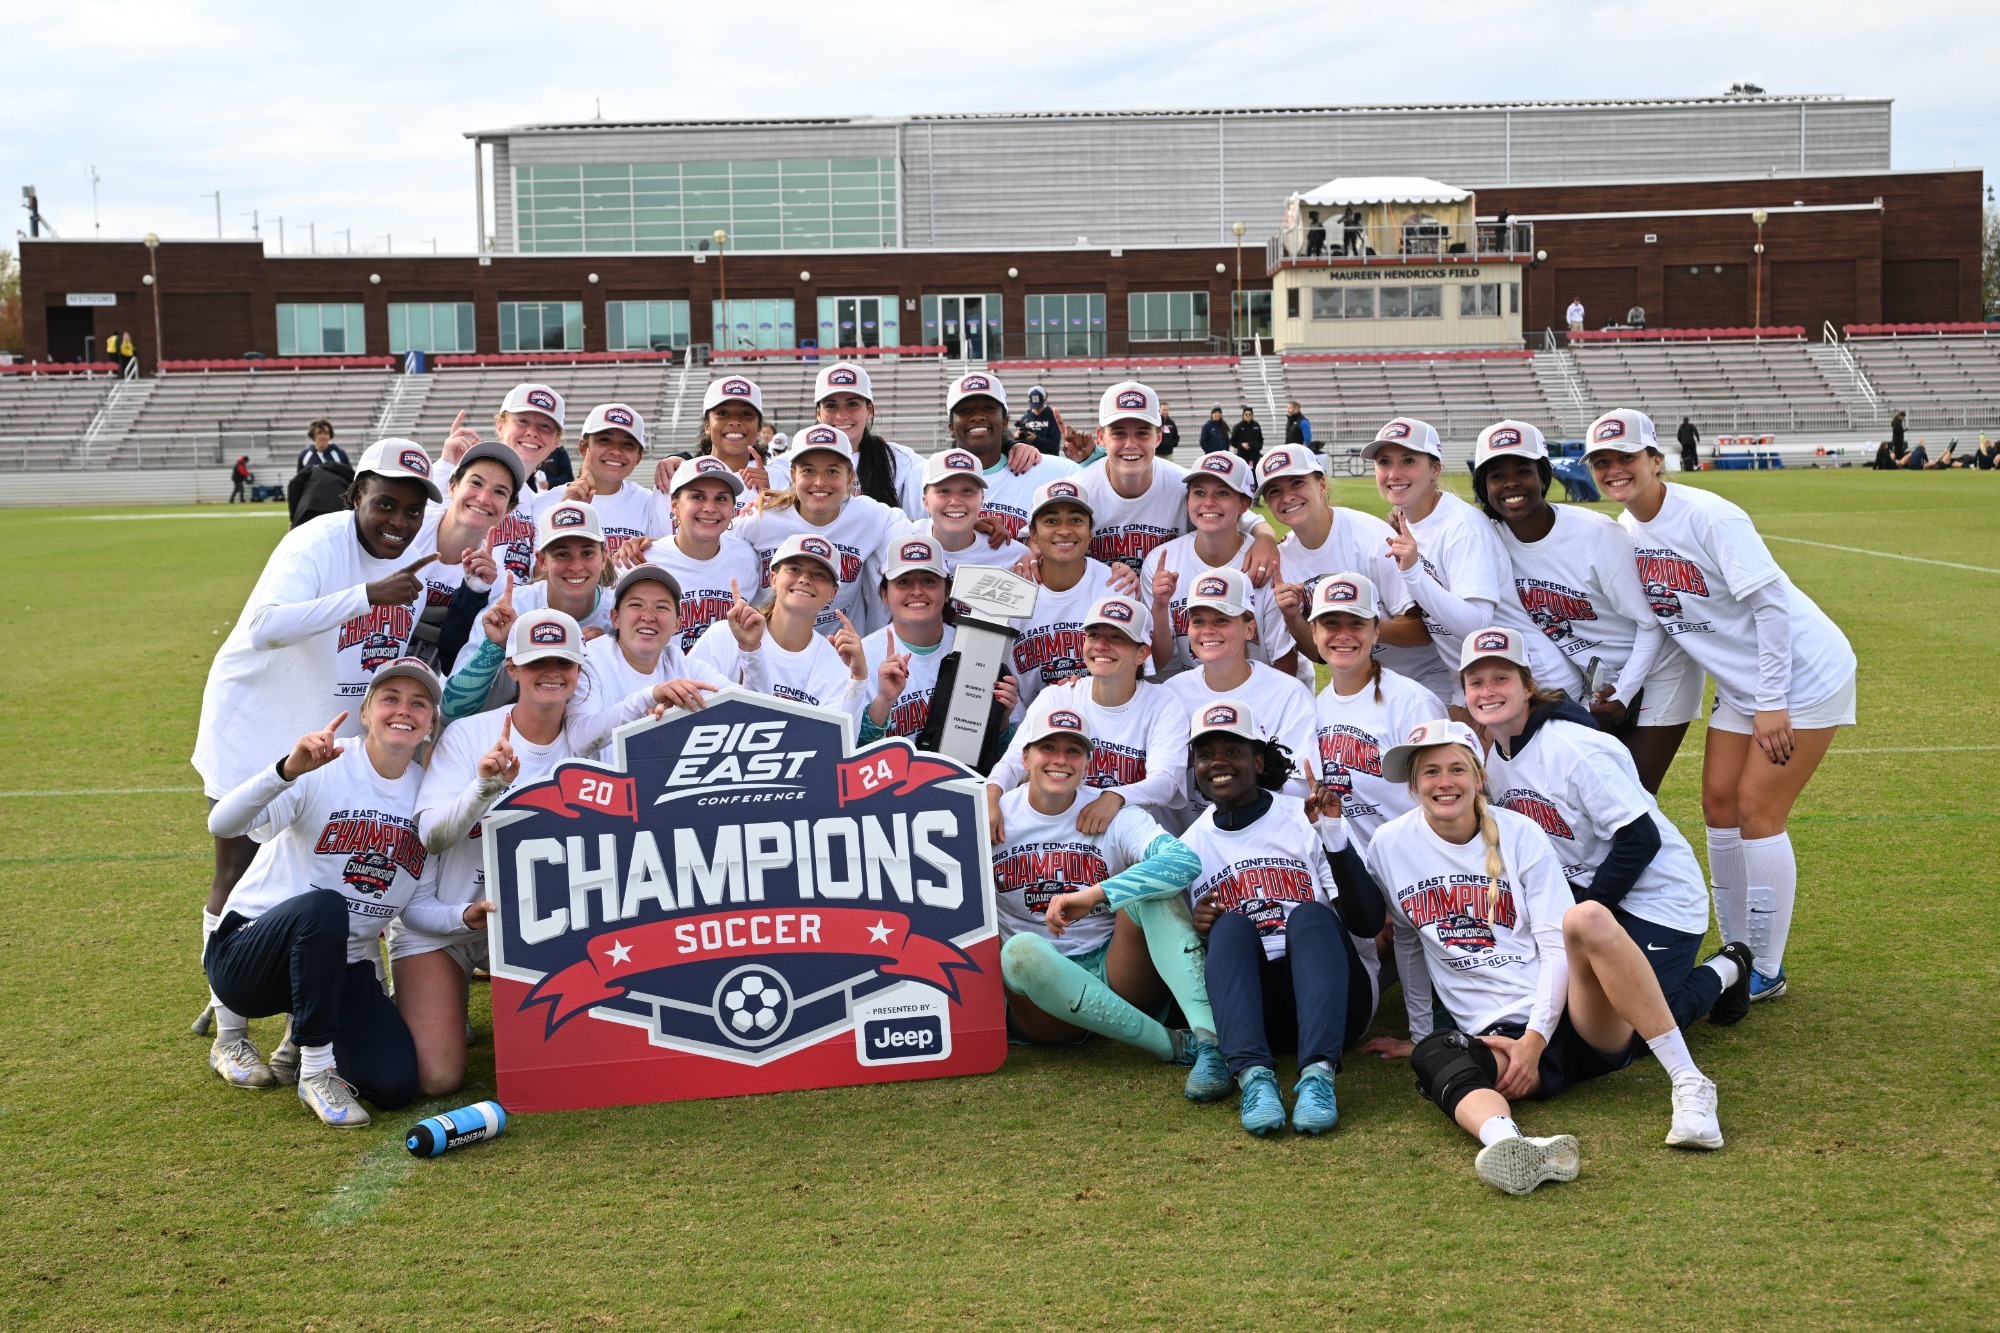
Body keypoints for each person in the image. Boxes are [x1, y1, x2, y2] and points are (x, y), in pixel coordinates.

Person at [1348, 720, 1724, 1194]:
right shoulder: (1390, 844)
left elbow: (1553, 946)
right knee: (1435, 1054)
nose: (1444, 783)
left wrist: (1535, 1039)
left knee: (1587, 918)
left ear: (1479, 777)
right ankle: (1513, 1146)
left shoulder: (1519, 833)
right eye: (1430, 772)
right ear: (1413, 784)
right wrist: (1422, 1034)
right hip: (1501, 1041)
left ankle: (1690, 1084)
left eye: (1457, 770)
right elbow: (1408, 942)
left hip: (1572, 1021)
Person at [1586, 408, 1857, 1003]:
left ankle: (1766, 965)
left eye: (1626, 458)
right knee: (1716, 804)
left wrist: (1774, 702)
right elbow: (1657, 621)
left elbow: (1772, 608)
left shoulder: (1710, 515)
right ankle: (1736, 950)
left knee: (1759, 811)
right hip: (1745, 684)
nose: (1614, 471)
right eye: (1602, 462)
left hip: (1800, 678)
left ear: (1656, 460)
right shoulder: (1626, 534)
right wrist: (1624, 692)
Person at [396, 610, 714, 1097]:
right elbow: (433, 837)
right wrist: (484, 787)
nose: (551, 673)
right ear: (513, 671)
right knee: (439, 1079)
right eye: (537, 662)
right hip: (447, 921)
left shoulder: (581, 738)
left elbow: (623, 714)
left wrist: (656, 693)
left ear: (579, 672)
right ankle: (416, 998)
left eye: (564, 664)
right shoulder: (467, 735)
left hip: (534, 927)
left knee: (582, 1061)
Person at [190, 439, 441, 1038]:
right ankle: (229, 1022)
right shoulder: (314, 542)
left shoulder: (414, 573)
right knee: (241, 866)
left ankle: (293, 993)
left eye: (412, 512)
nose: (398, 522)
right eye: (385, 504)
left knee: (329, 873)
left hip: (325, 736)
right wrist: (365, 596)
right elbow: (266, 626)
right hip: (254, 720)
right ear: (357, 495)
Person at [1459, 626, 1753, 1031]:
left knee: (1631, 1026)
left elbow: (1641, 839)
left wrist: (1586, 917)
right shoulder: (1495, 758)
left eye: (1501, 679)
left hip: (1658, 901)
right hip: (1590, 897)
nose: (1487, 691)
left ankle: (1727, 967)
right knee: (1572, 1013)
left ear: (1527, 686)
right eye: (1476, 682)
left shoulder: (1573, 748)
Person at [203, 660, 451, 1124]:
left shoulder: (428, 798)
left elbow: (417, 909)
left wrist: (469, 917)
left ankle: (306, 1034)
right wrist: (286, 771)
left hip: (338, 969)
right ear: (365, 712)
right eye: (390, 698)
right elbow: (222, 823)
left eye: (419, 703)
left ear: (431, 723)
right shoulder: (325, 765)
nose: (404, 710)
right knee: (325, 906)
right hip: (249, 958)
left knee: (394, 1086)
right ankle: (315, 1071)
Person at [992, 708, 1228, 1101]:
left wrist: (1093, 895)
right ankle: (1170, 1044)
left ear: (1087, 761)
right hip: (1044, 994)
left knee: (1156, 891)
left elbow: (1183, 862)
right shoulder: (992, 816)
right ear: (1026, 757)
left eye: (1073, 751)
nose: (1060, 760)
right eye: (1047, 748)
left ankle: (1210, 1042)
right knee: (1020, 952)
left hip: (1117, 970)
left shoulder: (1111, 812)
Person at [1183, 700, 1382, 1136]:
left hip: (1336, 1004)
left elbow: (1367, 921)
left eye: (1232, 751)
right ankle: (1255, 1077)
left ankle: (1318, 1076)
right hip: (1255, 1016)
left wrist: (1332, 833)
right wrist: (1201, 927)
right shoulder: (1190, 846)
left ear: (1258, 760)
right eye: (1205, 754)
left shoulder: (1303, 817)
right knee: (1230, 925)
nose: (1218, 762)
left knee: (1310, 915)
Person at [1472, 419, 1701, 791]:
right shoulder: (1487, 537)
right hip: (1597, 682)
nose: (1511, 483)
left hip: (1660, 669)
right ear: (1484, 486)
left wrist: (1626, 692)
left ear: (1544, 477)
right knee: (1589, 790)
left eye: (1524, 472)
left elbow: (1651, 622)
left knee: (1634, 791)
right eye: (1497, 475)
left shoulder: (1595, 536)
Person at [986, 594, 1191, 833]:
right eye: (1094, 635)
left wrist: (1114, 797)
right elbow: (1015, 761)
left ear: (1142, 653)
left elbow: (1165, 781)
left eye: (1117, 637)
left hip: (1139, 840)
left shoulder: (1164, 703)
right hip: (1070, 840)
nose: (1101, 645)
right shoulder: (1059, 696)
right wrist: (991, 793)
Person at [1256, 443, 1442, 700]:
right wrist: (1292, 617)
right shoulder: (1283, 559)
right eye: (1274, 491)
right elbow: (1320, 655)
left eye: (1297, 483)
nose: (1287, 496)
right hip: (1355, 689)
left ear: (1321, 486)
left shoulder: (1370, 537)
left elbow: (1421, 631)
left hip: (1422, 680)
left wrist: (1353, 625)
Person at [1366, 416, 1522, 706]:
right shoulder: (1408, 523)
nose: (1394, 473)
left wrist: (1414, 572)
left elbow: (1478, 625)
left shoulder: (1463, 528)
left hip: (1525, 682)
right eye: (1384, 462)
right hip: (1479, 682)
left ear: (1435, 468)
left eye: (1409, 461)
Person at [1077, 381, 1279, 582]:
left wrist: (1265, 539)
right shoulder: (1078, 490)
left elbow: (1251, 521)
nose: (1131, 444)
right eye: (1119, 433)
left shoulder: (1185, 484)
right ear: (1101, 437)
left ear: (1158, 437)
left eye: (1142, 433)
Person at [1160, 566, 1316, 814]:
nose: (1208, 630)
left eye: (1222, 619)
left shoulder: (1288, 693)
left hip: (1265, 834)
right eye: (1198, 621)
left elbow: (1303, 785)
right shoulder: (1172, 693)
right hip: (1191, 842)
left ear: (1249, 629)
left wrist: (1242, 790)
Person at [441, 500, 616, 719]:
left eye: (588, 553)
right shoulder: (511, 609)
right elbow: (450, 711)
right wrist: (497, 647)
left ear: (603, 558)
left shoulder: (621, 613)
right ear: (542, 560)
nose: (576, 566)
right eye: (562, 554)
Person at [732, 423, 907, 637]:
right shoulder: (759, 519)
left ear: (850, 477)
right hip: (769, 649)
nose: (819, 482)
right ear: (793, 475)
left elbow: (914, 534)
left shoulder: (869, 515)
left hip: (837, 655)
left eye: (832, 471)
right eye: (808, 471)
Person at [571, 564, 766, 751]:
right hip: (604, 784)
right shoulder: (591, 658)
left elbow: (756, 714)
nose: (648, 616)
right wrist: (650, 697)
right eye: (636, 605)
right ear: (615, 618)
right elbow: (579, 740)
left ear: (677, 623)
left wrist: (750, 650)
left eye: (662, 607)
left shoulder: (682, 664)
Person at [691, 532, 870, 722]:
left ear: (833, 594)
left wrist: (858, 680)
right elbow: (686, 708)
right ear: (773, 579)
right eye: (794, 569)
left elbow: (839, 741)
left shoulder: (836, 663)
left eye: (819, 574)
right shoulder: (724, 636)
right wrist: (749, 651)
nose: (805, 579)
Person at [1141, 453, 1294, 674]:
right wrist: (1160, 606)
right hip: (1193, 695)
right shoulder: (1162, 561)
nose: (1208, 502)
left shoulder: (1267, 561)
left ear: (1243, 504)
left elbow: (1285, 660)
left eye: (1222, 493)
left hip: (1260, 694)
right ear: (1187, 502)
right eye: (1199, 492)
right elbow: (1159, 661)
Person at [859, 536, 1017, 745]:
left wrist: (1001, 719)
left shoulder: (975, 652)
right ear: (884, 594)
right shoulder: (863, 656)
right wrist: (884, 701)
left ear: (947, 592)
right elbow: (849, 750)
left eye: (929, 580)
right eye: (903, 582)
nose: (917, 591)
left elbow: (1005, 757)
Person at [609, 456, 764, 654]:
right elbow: (610, 623)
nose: (709, 507)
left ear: (733, 509)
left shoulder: (747, 557)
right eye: (697, 497)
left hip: (724, 683)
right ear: (674, 506)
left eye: (721, 498)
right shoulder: (640, 560)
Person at [410, 441, 525, 671]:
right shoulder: (410, 527)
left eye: (499, 492)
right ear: (452, 487)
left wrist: (476, 594)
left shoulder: (497, 581)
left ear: (509, 509)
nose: (483, 499)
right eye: (476, 483)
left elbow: (457, 661)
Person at [1008, 479, 1124, 706]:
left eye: (1076, 520)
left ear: (1090, 531)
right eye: (1051, 521)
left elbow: (1133, 674)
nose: (1064, 530)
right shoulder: (1010, 590)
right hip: (1028, 729)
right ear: (1033, 533)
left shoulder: (1115, 587)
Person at [438, 383, 570, 581]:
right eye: (522, 421)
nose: (532, 432)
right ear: (500, 426)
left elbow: (538, 575)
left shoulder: (534, 503)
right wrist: (444, 466)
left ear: (556, 443)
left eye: (545, 426)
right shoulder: (458, 478)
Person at [942, 371, 1077, 540]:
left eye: (988, 408)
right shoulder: (926, 479)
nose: (977, 416)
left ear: (1005, 420)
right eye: (965, 410)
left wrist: (1090, 458)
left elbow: (1109, 488)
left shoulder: (1051, 471)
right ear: (951, 427)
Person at [787, 362, 924, 517]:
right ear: (818, 413)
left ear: (869, 410)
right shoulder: (789, 463)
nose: (841, 416)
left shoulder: (903, 462)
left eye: (852, 404)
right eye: (831, 406)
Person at [535, 403, 667, 554]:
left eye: (628, 444)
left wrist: (656, 547)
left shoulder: (651, 503)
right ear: (584, 447)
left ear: (638, 457)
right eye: (605, 440)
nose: (616, 451)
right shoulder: (547, 503)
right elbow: (538, 573)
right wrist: (564, 513)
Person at [902, 448, 1029, 580]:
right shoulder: (898, 540)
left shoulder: (1015, 557)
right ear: (926, 502)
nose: (955, 502)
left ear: (982, 500)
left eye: (967, 490)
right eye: (944, 491)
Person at [649, 377, 769, 515]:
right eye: (723, 413)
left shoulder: (782, 479)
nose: (735, 421)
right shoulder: (674, 477)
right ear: (707, 425)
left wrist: (771, 500)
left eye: (746, 414)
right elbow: (658, 533)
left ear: (759, 427)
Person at [1014, 385, 1062, 456]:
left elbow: (1054, 445)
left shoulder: (1053, 417)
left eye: (1039, 405)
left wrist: (1035, 439)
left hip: (1049, 460)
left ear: (1045, 400)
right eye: (1034, 405)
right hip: (1029, 461)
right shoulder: (1025, 418)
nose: (1037, 408)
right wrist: (1016, 438)